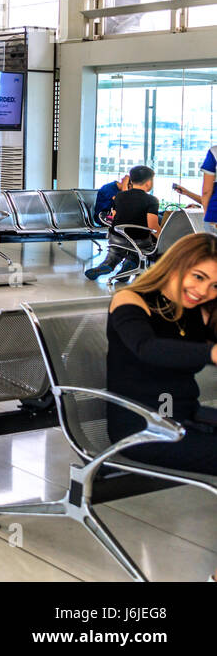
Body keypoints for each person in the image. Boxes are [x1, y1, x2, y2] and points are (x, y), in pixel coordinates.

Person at [105, 230, 217, 582]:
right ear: (177, 264)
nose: (203, 291)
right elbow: (147, 348)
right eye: (198, 276)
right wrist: (210, 353)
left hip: (185, 416)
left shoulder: (200, 311)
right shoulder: (130, 300)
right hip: (142, 427)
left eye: (215, 285)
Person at [85, 165, 160, 281]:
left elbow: (115, 216)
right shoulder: (152, 200)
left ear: (131, 180)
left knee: (115, 254)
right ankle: (131, 262)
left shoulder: (119, 196)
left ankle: (108, 264)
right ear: (149, 182)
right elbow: (152, 226)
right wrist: (163, 238)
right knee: (143, 249)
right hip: (139, 241)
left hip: (116, 238)